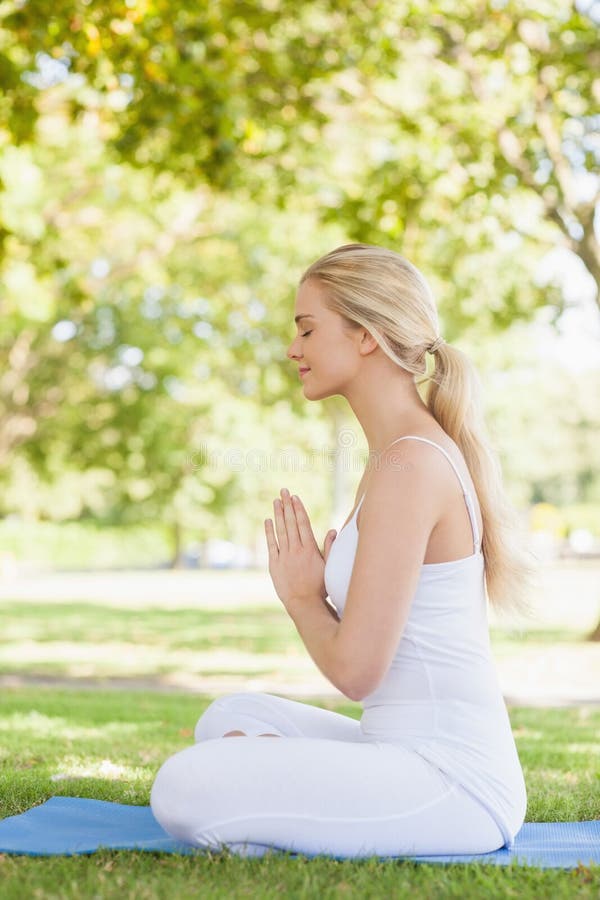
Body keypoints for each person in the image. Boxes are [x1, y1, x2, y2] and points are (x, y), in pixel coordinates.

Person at [150, 243, 536, 859]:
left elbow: (357, 674)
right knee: (228, 717)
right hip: (394, 749)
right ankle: (289, 822)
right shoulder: (395, 456)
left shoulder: (410, 463)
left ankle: (273, 829)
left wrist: (305, 597)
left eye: (307, 328)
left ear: (364, 336)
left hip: (456, 782)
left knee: (180, 788)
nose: (292, 348)